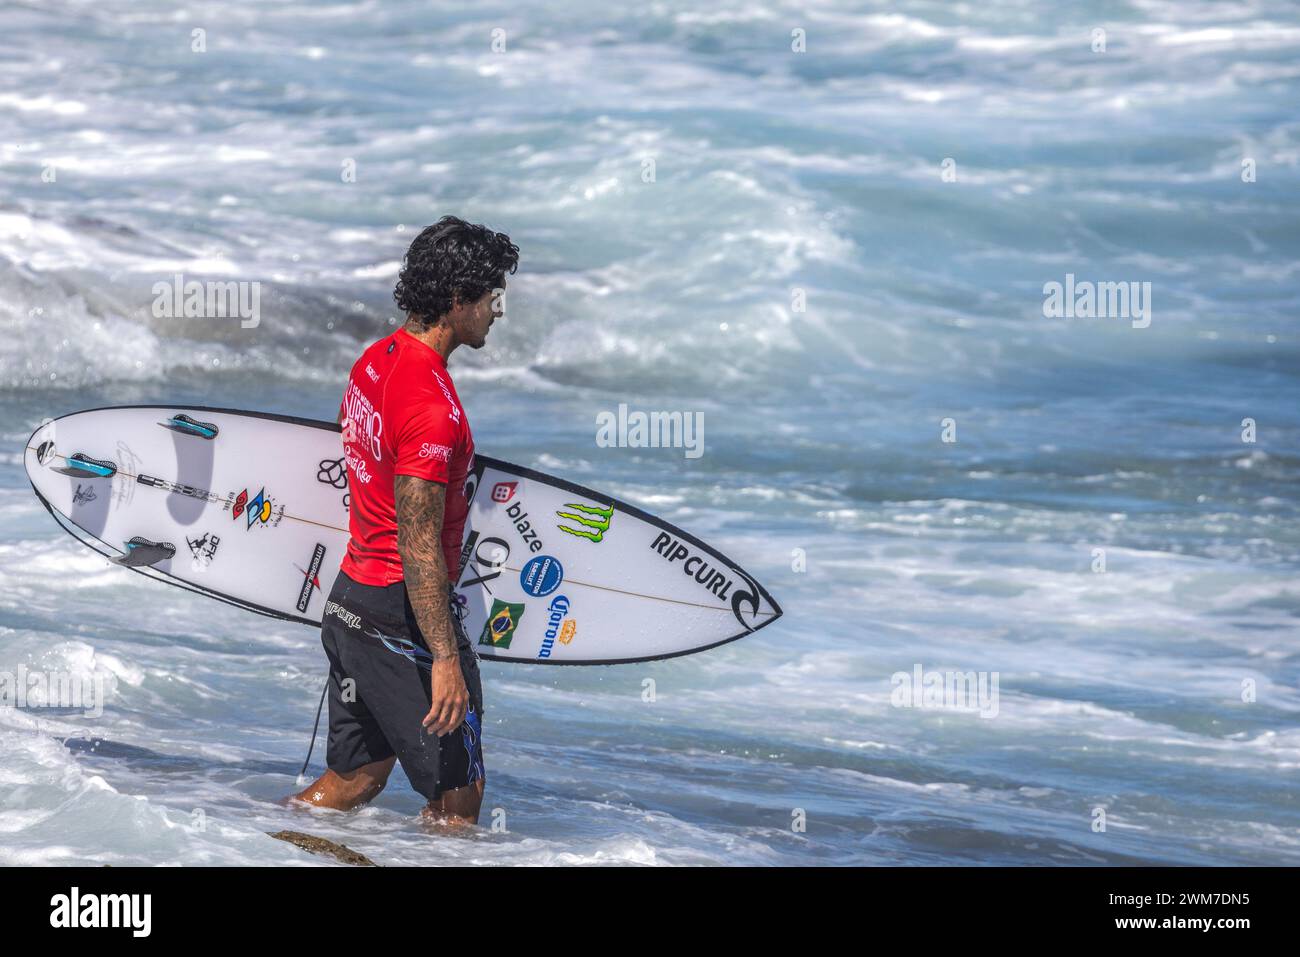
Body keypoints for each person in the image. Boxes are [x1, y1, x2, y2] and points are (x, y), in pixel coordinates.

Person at [292, 216, 519, 826]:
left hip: (351, 604)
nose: (497, 312)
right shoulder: (431, 410)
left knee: (355, 777)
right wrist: (443, 659)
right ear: (457, 302)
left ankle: (249, 847)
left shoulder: (375, 361)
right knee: (456, 805)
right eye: (491, 298)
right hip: (401, 617)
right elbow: (417, 544)